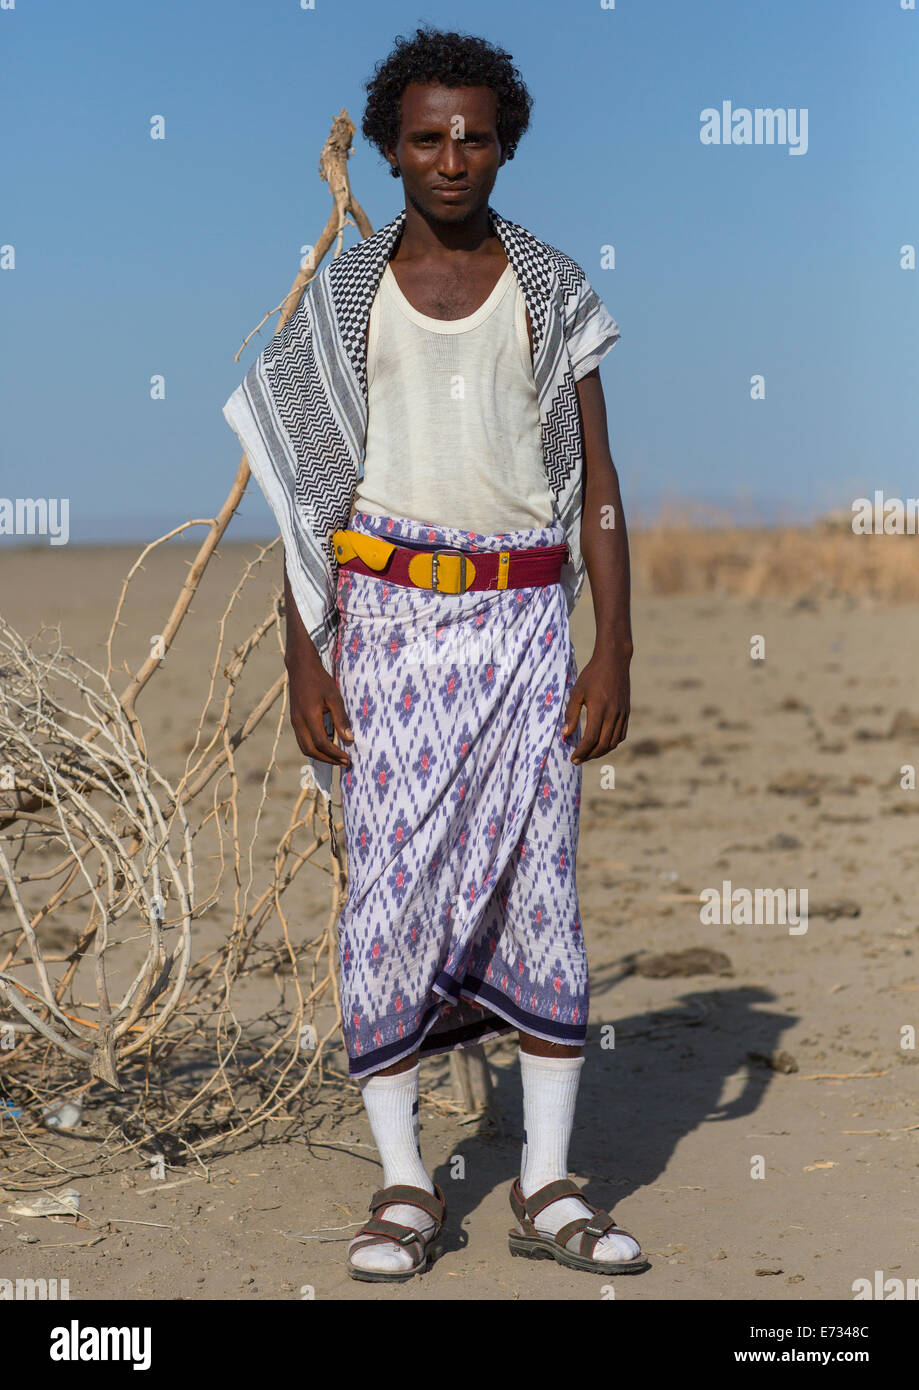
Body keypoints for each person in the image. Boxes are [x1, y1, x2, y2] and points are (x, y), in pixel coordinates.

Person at [223, 24, 646, 1282]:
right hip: (389, 633)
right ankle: (406, 1185)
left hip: (524, 629)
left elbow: (598, 484)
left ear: (505, 144)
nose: (451, 158)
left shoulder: (552, 286)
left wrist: (612, 646)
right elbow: (305, 497)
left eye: (473, 137)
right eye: (425, 138)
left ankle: (549, 1182)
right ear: (391, 150)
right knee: (391, 894)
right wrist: (305, 656)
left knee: (541, 891)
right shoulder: (348, 294)